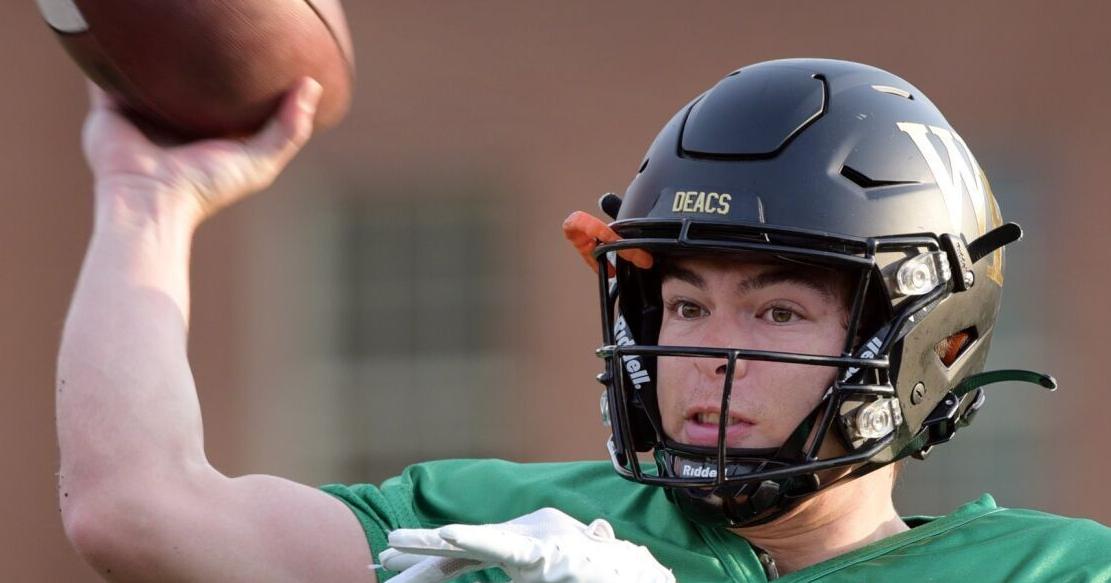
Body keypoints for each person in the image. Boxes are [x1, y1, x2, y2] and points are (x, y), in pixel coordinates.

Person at [57, 59, 1110, 582]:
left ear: (938, 341)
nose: (705, 353)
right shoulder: (507, 527)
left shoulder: (1055, 568)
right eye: (684, 303)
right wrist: (147, 201)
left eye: (779, 308)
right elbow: (138, 509)